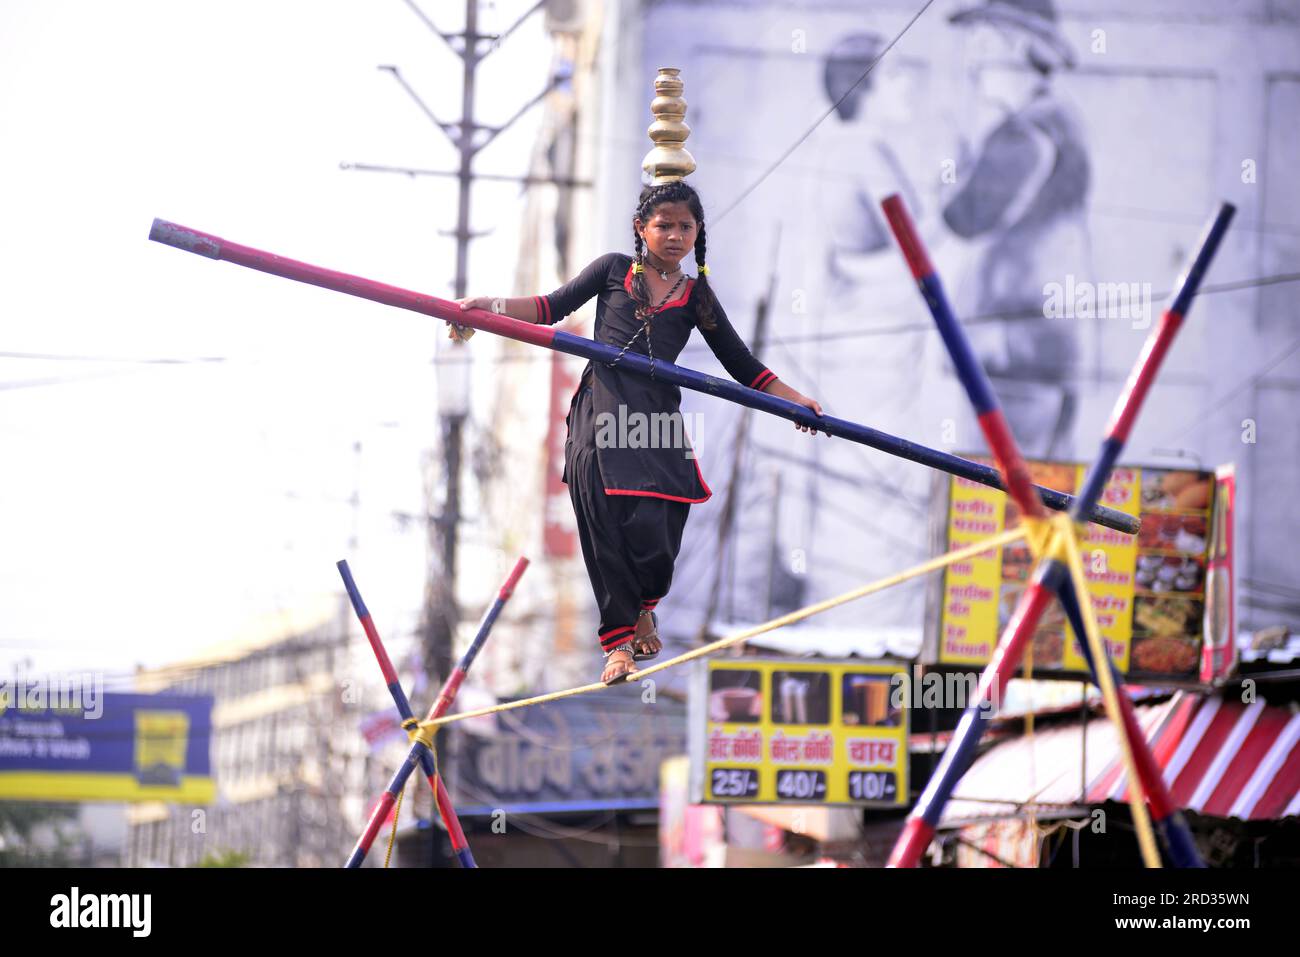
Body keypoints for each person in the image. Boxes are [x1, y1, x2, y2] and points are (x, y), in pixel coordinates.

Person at [449, 180, 824, 684]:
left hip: (654, 421)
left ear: (697, 233)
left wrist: (795, 401)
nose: (674, 235)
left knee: (657, 523)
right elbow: (547, 308)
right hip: (600, 414)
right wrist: (486, 309)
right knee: (605, 525)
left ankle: (646, 604)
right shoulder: (612, 271)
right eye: (663, 224)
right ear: (641, 229)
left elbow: (741, 364)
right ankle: (618, 646)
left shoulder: (697, 297)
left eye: (685, 226)